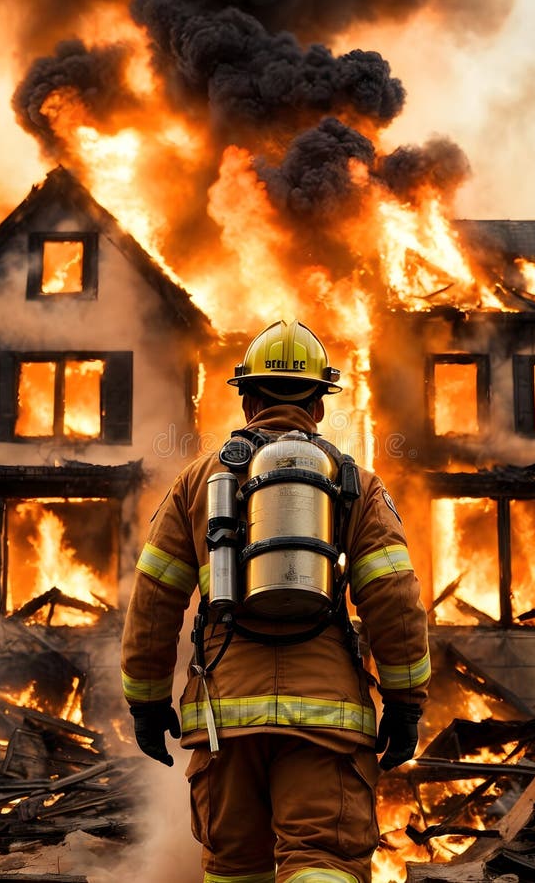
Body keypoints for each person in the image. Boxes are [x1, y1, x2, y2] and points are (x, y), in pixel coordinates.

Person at [121, 319, 431, 883]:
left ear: (247, 397)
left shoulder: (197, 481)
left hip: (224, 721)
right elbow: (394, 598)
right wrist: (406, 703)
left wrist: (145, 701)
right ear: (318, 403)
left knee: (235, 869)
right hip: (328, 724)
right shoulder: (356, 483)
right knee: (323, 863)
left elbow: (154, 600)